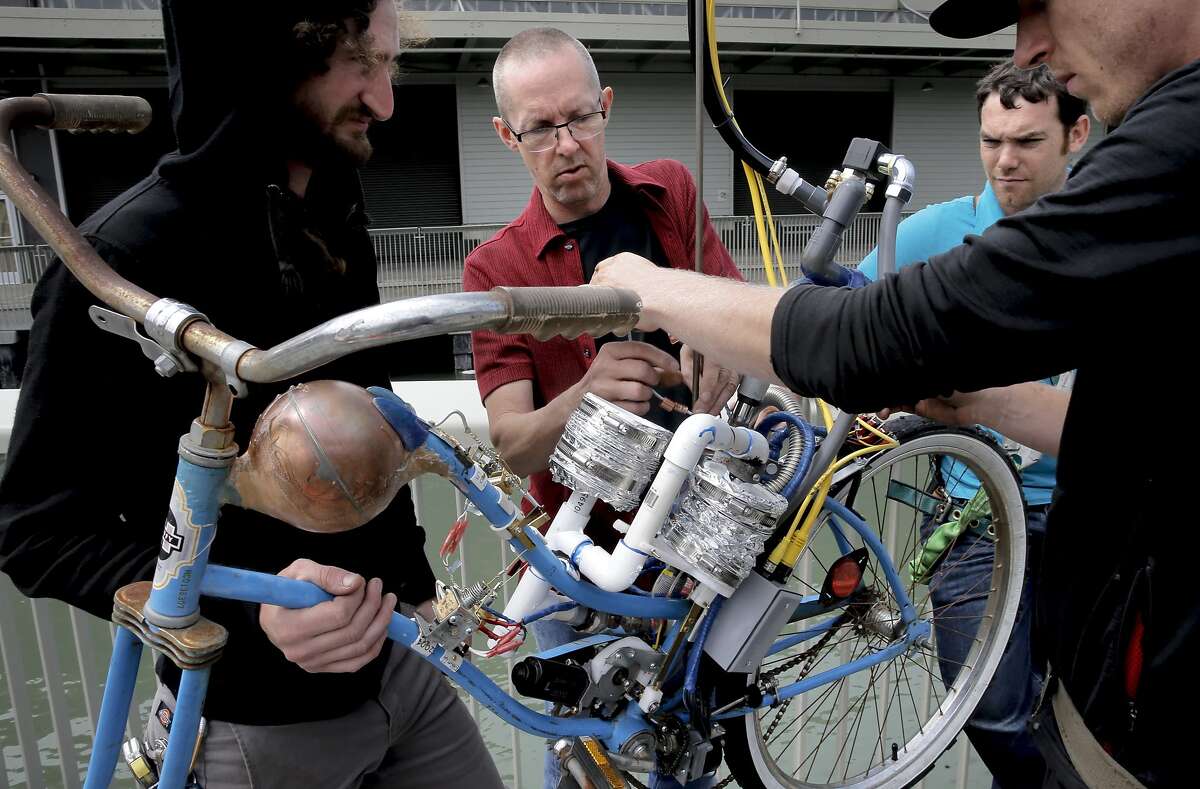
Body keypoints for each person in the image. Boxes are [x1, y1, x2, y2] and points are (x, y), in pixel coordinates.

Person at [592, 0, 1200, 785]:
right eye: (992, 141)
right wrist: (980, 401)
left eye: (1042, 2)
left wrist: (656, 290)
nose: (1032, 48)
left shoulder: (1181, 141)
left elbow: (877, 333)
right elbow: (1139, 427)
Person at [0, 3, 503, 787]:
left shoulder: (336, 215)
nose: (385, 100)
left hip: (403, 666)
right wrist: (251, 611)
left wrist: (416, 585)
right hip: (252, 723)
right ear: (275, 59)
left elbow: (375, 413)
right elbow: (36, 528)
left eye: (389, 65)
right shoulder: (121, 259)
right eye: (359, 64)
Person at [462, 26, 742, 787]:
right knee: (585, 765)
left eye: (580, 118)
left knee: (702, 746)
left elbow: (740, 313)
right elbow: (515, 444)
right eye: (541, 128)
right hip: (579, 557)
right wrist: (585, 394)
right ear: (506, 135)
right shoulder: (496, 270)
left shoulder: (671, 195)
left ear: (607, 107)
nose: (567, 144)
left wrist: (724, 337)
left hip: (695, 542)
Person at [859, 60, 1089, 789]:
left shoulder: (1116, 240)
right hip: (978, 513)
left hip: (1098, 517)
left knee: (1092, 717)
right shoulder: (942, 231)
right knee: (986, 706)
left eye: (1026, 141)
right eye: (992, 141)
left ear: (1076, 133)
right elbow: (847, 311)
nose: (1004, 161)